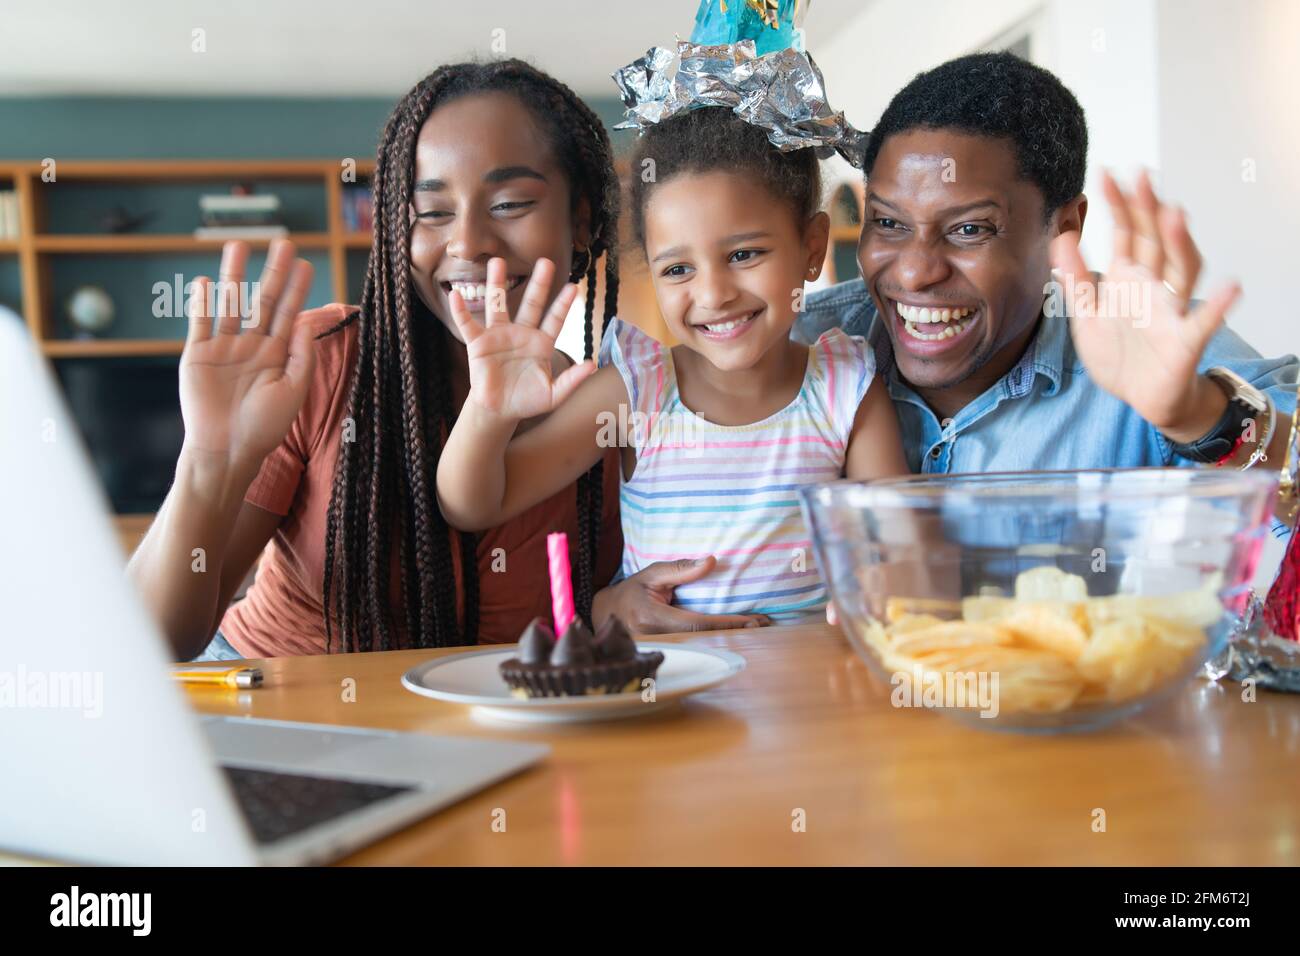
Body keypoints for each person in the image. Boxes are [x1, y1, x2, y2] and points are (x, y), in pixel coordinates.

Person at [127, 59, 640, 662]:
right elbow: (147, 645)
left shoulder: (607, 406)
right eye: (432, 211)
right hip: (275, 702)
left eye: (509, 203)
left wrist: (608, 607)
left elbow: (576, 613)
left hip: (486, 726)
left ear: (580, 219)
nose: (468, 241)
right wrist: (209, 460)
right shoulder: (323, 366)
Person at [437, 104, 908, 623]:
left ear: (812, 247)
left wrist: (876, 590)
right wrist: (488, 410)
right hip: (663, 697)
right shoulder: (637, 391)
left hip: (807, 695)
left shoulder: (846, 386)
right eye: (678, 268)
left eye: (744, 254)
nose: (714, 293)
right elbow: (474, 503)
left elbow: (897, 550)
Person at [795, 52, 1298, 478]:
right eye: (888, 223)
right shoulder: (796, 346)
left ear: (1064, 229)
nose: (913, 273)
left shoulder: (1153, 342)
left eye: (970, 229)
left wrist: (1199, 416)